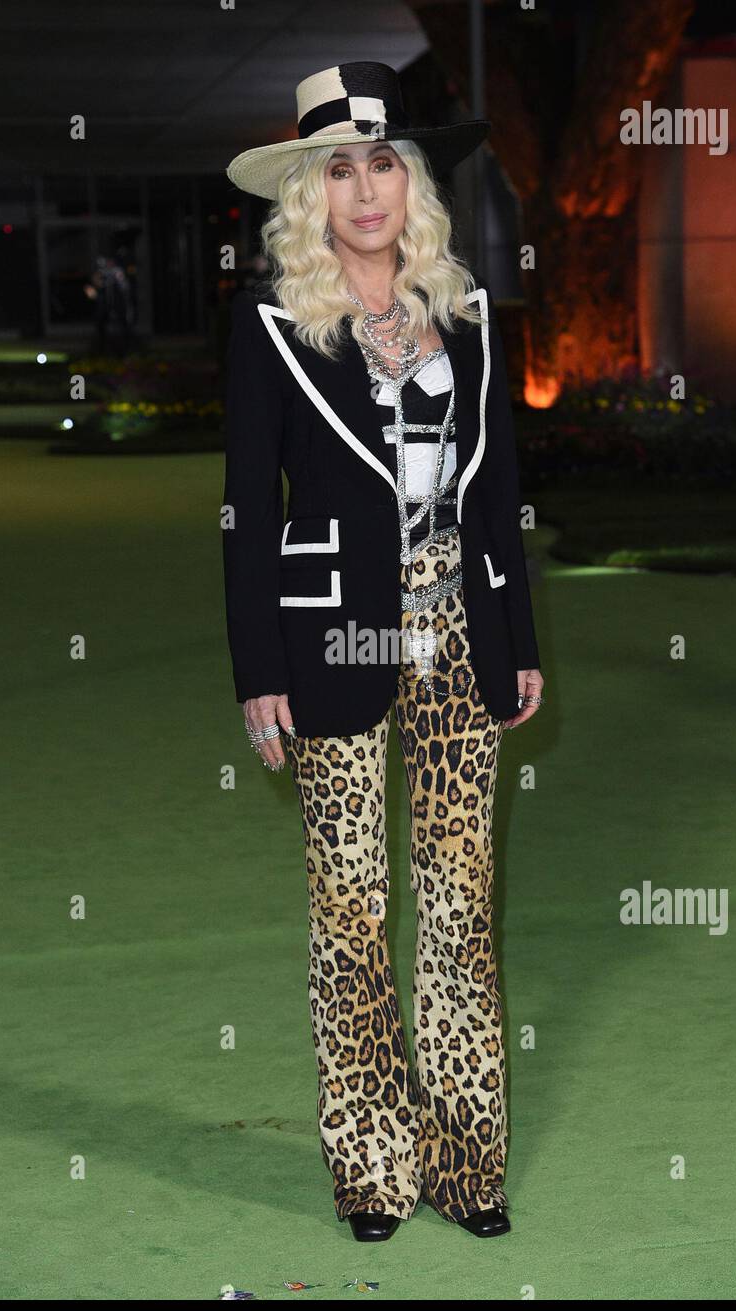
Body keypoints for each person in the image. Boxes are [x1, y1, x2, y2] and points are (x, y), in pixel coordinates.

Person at [223, 61, 544, 1243]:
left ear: (412, 183)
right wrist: (259, 668)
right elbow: (247, 512)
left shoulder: (467, 313)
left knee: (460, 905)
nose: (365, 190)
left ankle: (466, 1167)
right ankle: (369, 1167)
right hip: (334, 633)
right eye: (340, 168)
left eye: (383, 163)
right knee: (349, 907)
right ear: (311, 193)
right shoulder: (271, 328)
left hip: (454, 626)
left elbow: (495, 491)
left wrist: (512, 635)